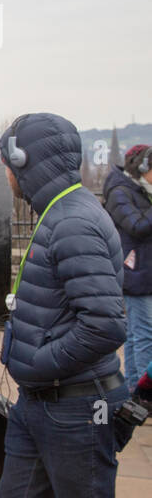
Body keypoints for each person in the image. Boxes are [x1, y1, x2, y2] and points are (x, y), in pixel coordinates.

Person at [0, 113, 147, 498]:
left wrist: (37, 364)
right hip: (41, 403)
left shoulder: (75, 221)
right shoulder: (59, 214)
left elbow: (105, 326)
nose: (3, 174)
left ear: (25, 163)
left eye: (6, 162)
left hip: (77, 407)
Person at [104, 144, 152, 393]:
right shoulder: (120, 191)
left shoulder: (140, 190)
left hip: (144, 271)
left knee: (137, 334)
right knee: (144, 335)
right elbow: (138, 226)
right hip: (135, 273)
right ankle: (145, 395)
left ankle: (135, 391)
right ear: (141, 168)